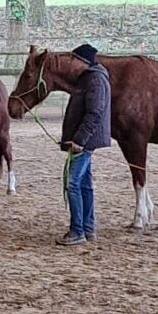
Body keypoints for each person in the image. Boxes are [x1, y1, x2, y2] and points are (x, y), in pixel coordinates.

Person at [56, 43, 111, 246]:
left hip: (85, 141)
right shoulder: (86, 79)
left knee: (73, 184)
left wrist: (79, 140)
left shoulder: (94, 80)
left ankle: (77, 230)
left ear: (82, 61)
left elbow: (95, 112)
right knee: (85, 184)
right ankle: (88, 229)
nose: (71, 63)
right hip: (83, 139)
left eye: (73, 60)